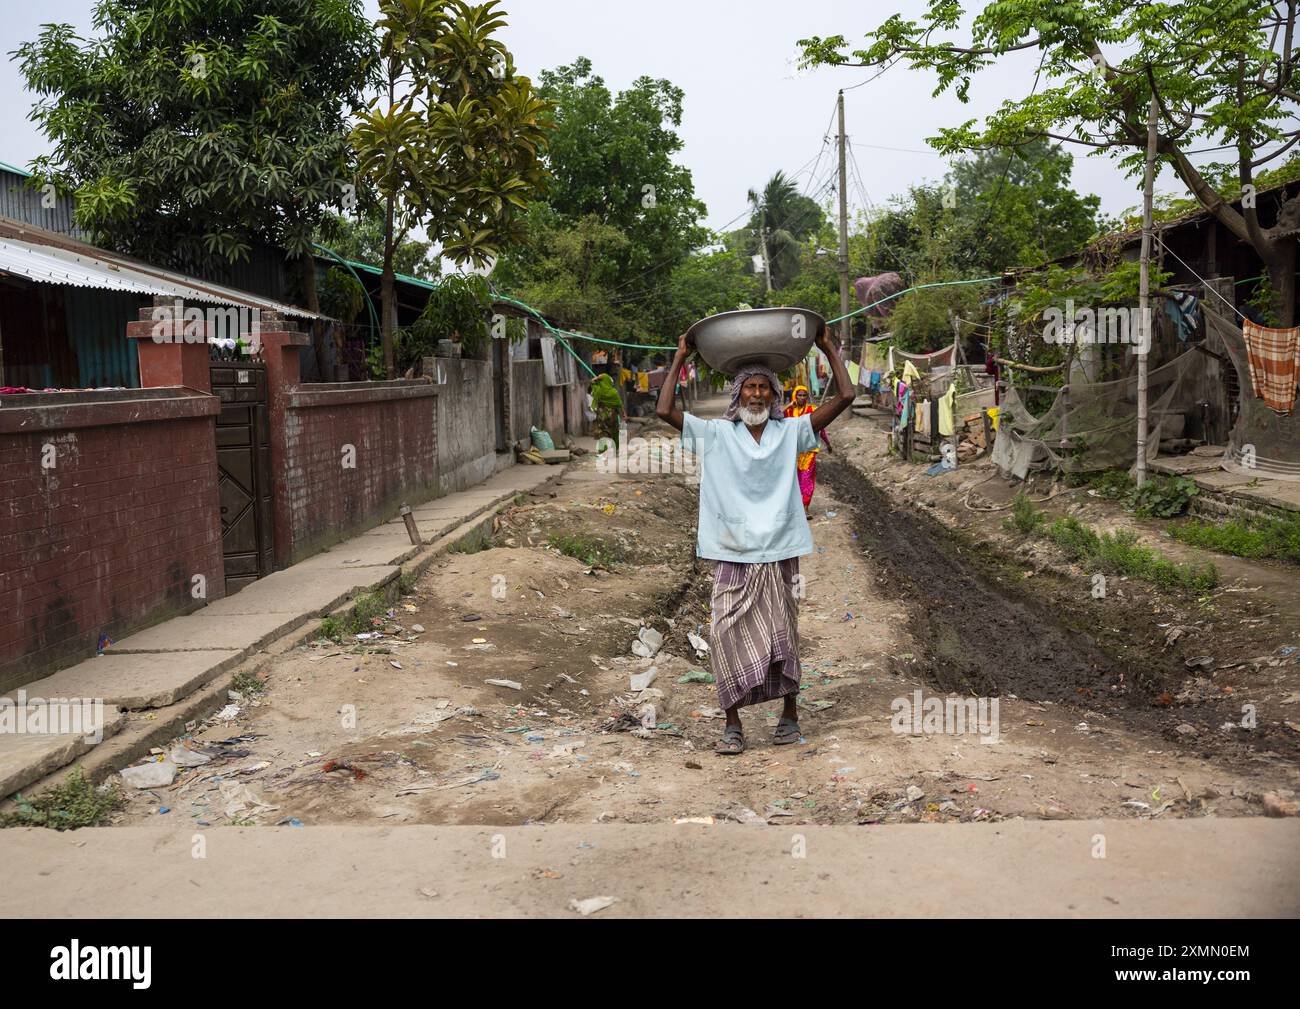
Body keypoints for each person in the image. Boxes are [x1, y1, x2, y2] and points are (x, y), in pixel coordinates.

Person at [655, 325, 855, 754]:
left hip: (779, 550)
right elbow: (664, 411)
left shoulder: (792, 432)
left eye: (765, 388)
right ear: (738, 395)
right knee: (726, 634)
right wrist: (680, 358)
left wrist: (826, 347)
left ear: (774, 395)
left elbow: (846, 397)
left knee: (783, 632)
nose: (758, 395)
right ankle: (733, 724)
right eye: (750, 388)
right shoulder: (716, 435)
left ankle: (790, 715)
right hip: (732, 552)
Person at [784, 385, 832, 515]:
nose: (802, 398)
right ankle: (795, 507)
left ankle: (805, 507)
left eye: (804, 395)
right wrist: (789, 405)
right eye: (799, 395)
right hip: (793, 451)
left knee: (806, 478)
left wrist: (827, 443)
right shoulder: (789, 412)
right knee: (794, 479)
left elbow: (821, 428)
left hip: (809, 450)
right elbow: (777, 418)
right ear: (795, 396)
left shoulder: (812, 410)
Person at [589, 371, 625, 447]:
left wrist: (597, 378)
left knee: (602, 432)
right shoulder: (613, 392)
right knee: (614, 431)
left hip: (602, 416)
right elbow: (619, 403)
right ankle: (615, 447)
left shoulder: (598, 390)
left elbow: (592, 382)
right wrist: (624, 413)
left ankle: (604, 448)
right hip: (612, 416)